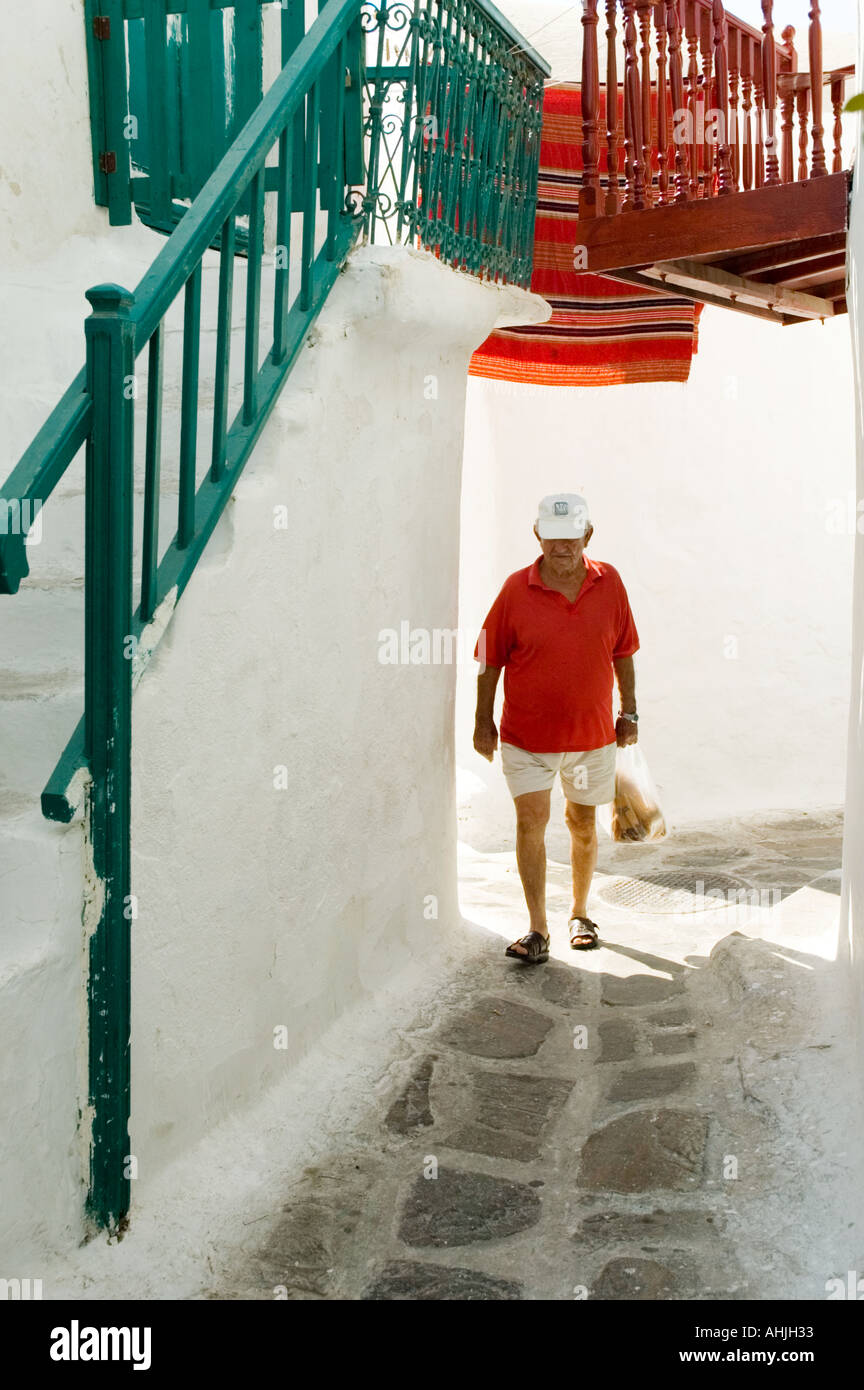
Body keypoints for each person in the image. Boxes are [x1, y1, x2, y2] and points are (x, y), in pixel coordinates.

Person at [473, 493, 639, 962]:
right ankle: (537, 929)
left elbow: (624, 651)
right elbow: (489, 660)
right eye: (552, 537)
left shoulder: (610, 583)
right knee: (531, 822)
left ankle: (581, 913)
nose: (561, 547)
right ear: (537, 535)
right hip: (526, 738)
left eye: (571, 537)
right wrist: (482, 722)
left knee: (582, 824)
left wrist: (630, 713)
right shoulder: (514, 589)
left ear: (587, 535)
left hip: (591, 739)